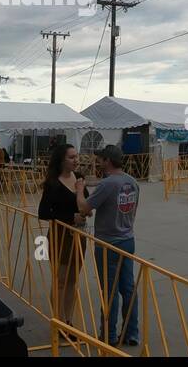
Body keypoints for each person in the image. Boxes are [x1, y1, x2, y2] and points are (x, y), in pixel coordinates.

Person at [75, 145, 140, 347]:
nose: (99, 163)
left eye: (101, 160)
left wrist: (79, 190)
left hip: (108, 243)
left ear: (108, 161)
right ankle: (131, 333)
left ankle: (109, 336)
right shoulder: (132, 182)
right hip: (127, 239)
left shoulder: (107, 184)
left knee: (109, 291)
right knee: (128, 288)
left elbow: (85, 207)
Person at [38, 143, 88, 328]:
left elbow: (85, 204)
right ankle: (58, 321)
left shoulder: (79, 178)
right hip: (60, 235)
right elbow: (43, 212)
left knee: (73, 280)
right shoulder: (53, 183)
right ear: (61, 160)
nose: (76, 160)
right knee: (61, 280)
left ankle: (69, 321)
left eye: (76, 156)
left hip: (78, 234)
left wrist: (82, 195)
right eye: (71, 157)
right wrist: (69, 217)